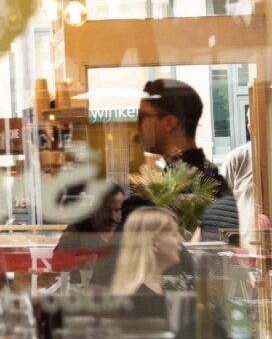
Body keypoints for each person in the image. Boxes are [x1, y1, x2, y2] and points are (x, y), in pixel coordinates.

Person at [139, 78, 238, 242]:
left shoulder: (199, 180)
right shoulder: (193, 174)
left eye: (142, 117)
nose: (138, 126)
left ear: (169, 123)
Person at [109, 207, 187, 296]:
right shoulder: (139, 297)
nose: (180, 241)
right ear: (154, 242)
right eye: (174, 234)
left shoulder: (166, 285)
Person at [53, 182, 125, 278]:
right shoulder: (76, 231)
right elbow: (56, 264)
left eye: (117, 210)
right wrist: (78, 262)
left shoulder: (126, 231)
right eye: (107, 210)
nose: (113, 217)